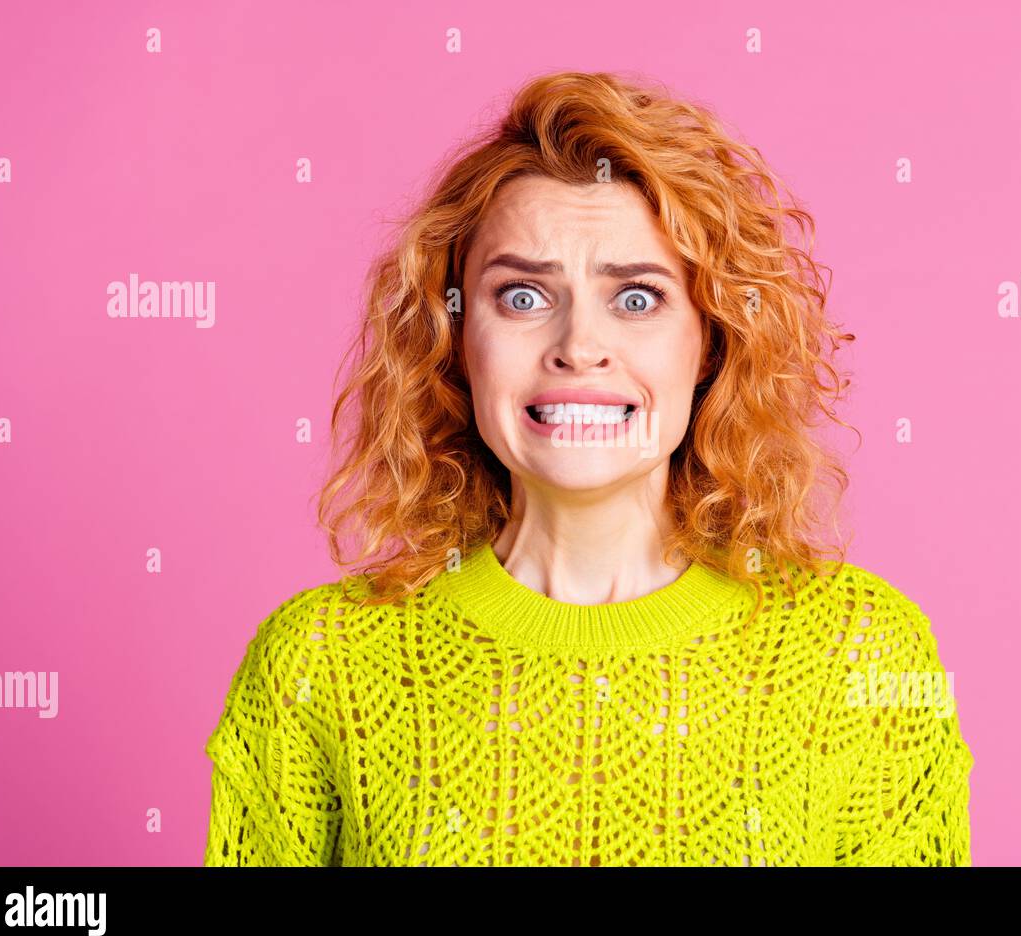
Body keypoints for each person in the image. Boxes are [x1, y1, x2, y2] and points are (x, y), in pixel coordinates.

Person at [202, 70, 974, 867]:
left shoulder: (861, 656)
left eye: (637, 299)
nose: (578, 345)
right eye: (523, 298)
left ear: (709, 343)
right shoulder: (319, 664)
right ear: (454, 339)